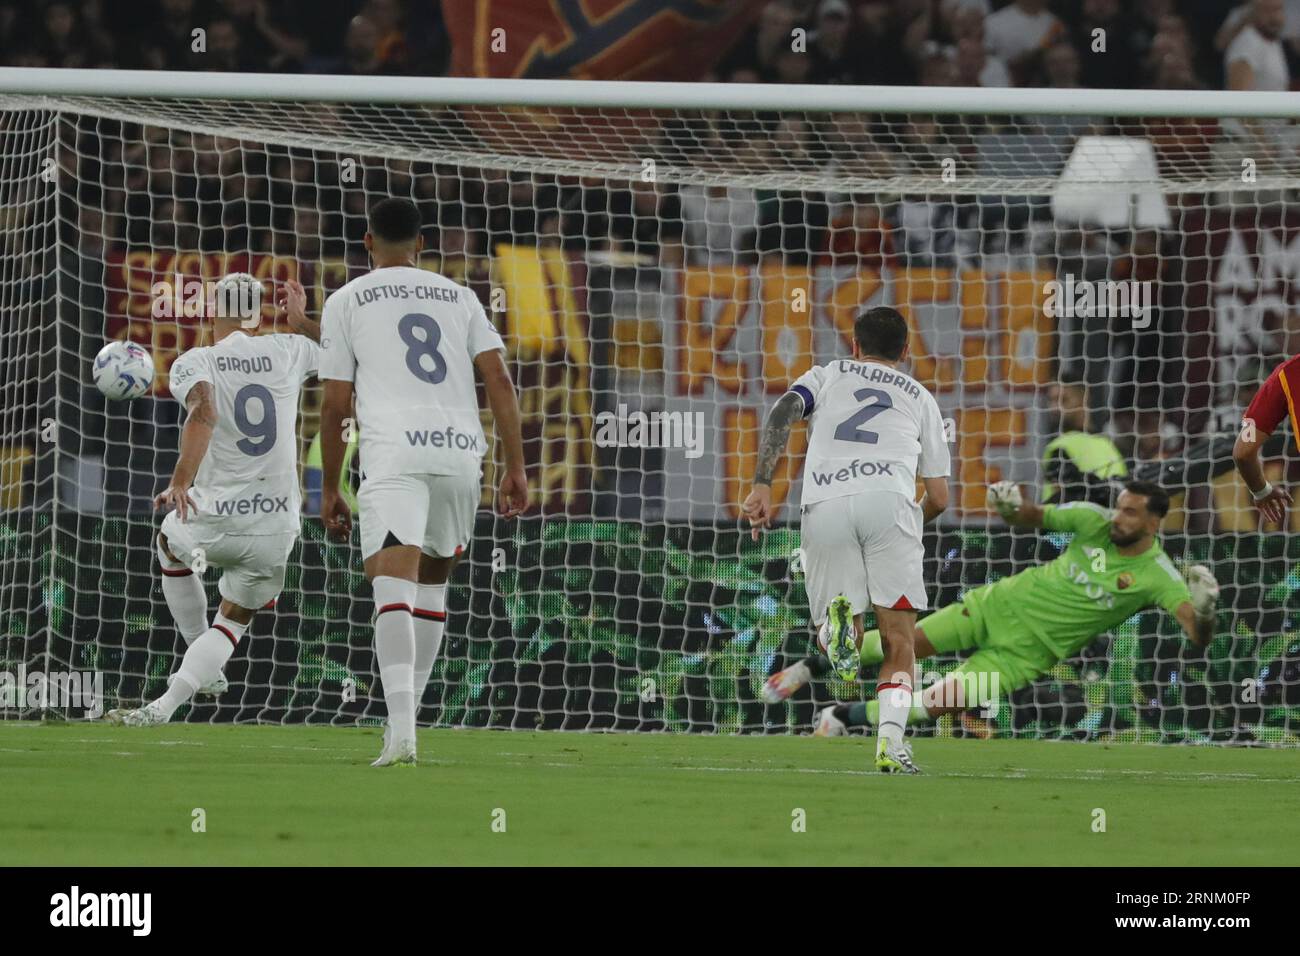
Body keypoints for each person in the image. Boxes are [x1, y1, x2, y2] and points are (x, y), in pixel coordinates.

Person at [317, 197, 528, 767]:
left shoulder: (346, 298)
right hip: (461, 455)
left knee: (393, 588)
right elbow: (501, 382)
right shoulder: (461, 297)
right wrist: (515, 467)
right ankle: (405, 726)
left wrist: (330, 484)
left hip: (395, 455)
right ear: (423, 245)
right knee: (432, 587)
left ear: (366, 242)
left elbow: (337, 402)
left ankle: (403, 731)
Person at [763, 481, 1220, 739]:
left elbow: (1197, 635)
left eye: (1131, 514)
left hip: (1022, 656)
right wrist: (1009, 505)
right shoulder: (1090, 520)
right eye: (1119, 508)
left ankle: (841, 716)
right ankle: (808, 666)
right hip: (992, 608)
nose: (1118, 518)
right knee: (899, 645)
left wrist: (1204, 611)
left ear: (1155, 522)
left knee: (930, 707)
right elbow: (1030, 515)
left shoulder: (1159, 575)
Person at [743, 306, 950, 773]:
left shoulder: (829, 374)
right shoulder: (920, 397)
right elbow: (939, 496)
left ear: (854, 346)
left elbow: (782, 411)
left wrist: (762, 484)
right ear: (906, 350)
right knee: (899, 640)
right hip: (890, 502)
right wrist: (909, 526)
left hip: (827, 503)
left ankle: (839, 629)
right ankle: (891, 746)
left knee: (844, 639)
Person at [107, 273, 320, 725]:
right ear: (259, 312)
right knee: (232, 623)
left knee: (168, 542)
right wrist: (302, 321)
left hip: (215, 519)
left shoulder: (196, 359)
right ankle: (166, 706)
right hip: (276, 524)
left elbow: (204, 411)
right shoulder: (290, 348)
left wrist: (180, 480)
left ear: (212, 312)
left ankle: (193, 645)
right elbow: (349, 351)